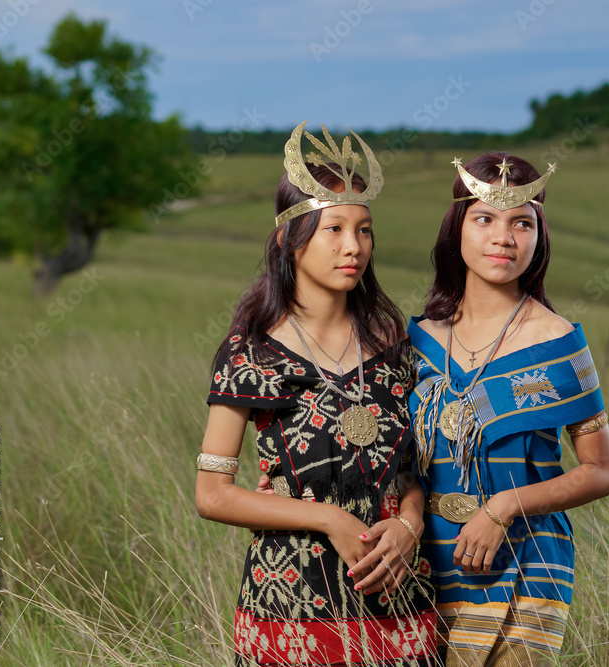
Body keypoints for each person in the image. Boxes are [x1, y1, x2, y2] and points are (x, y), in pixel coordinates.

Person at [195, 121, 436, 666]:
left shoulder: (395, 346)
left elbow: (409, 473)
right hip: (290, 607)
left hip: (400, 603)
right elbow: (212, 494)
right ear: (289, 237)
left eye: (365, 230)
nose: (354, 247)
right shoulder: (250, 353)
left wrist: (409, 523)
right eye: (333, 229)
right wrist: (328, 518)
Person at [407, 152, 609, 665]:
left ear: (538, 238)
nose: (504, 237)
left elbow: (601, 471)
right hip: (421, 565)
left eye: (521, 223)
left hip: (525, 564)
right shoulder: (415, 339)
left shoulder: (558, 341)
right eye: (485, 219)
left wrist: (504, 508)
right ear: (457, 229)